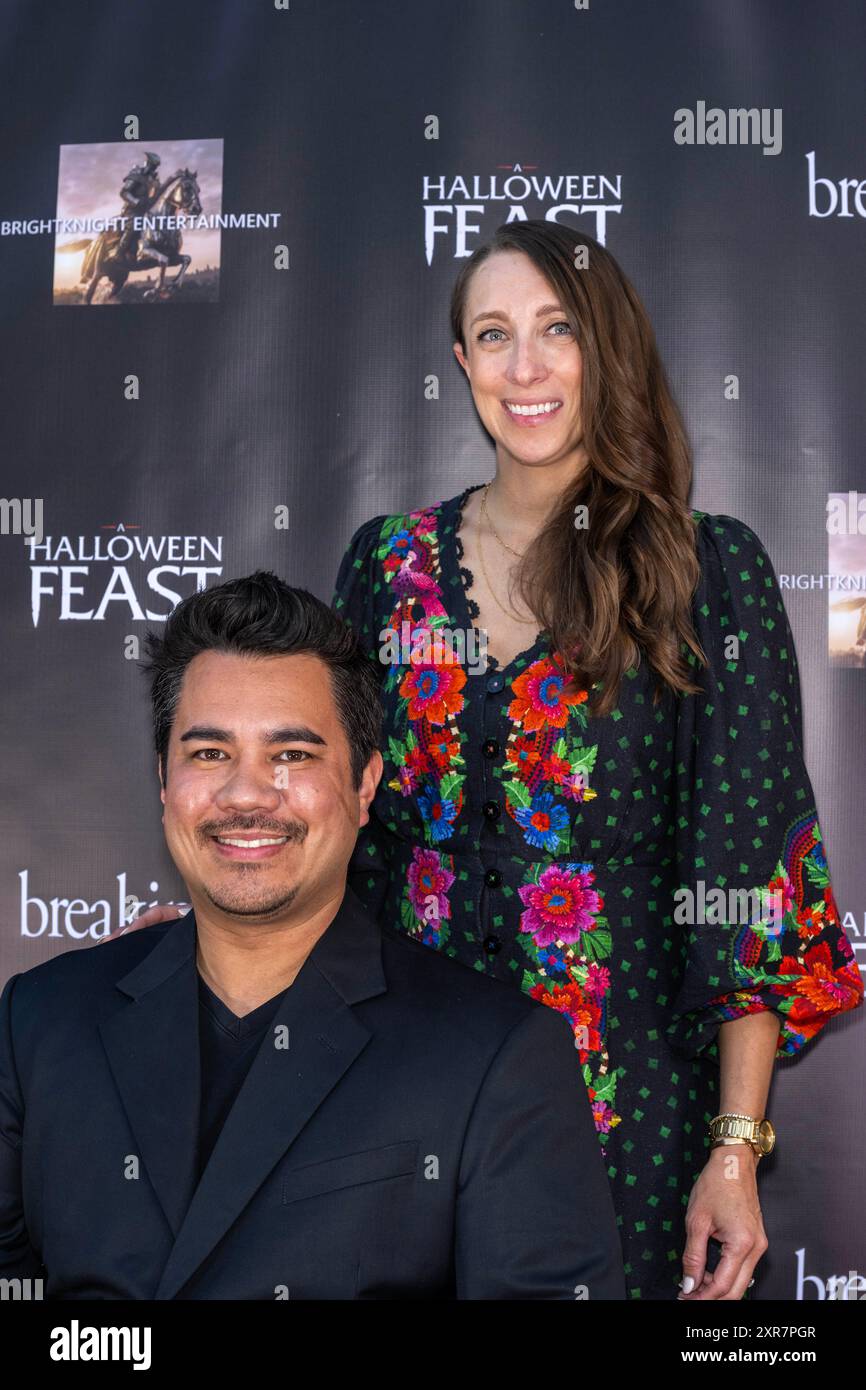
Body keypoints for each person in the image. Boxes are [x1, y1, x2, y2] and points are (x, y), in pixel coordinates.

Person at [122, 220, 864, 1300]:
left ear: (603, 348)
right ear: (461, 363)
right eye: (492, 334)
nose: (525, 368)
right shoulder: (385, 565)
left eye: (555, 330)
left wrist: (734, 1144)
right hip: (389, 1083)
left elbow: (740, 881)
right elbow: (338, 816)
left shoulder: (702, 570)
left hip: (619, 1098)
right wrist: (212, 925)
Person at [0, 572, 625, 1300]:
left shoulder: (496, 1055)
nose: (246, 795)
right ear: (163, 782)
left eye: (291, 755)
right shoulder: (41, 1021)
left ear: (364, 786)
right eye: (209, 754)